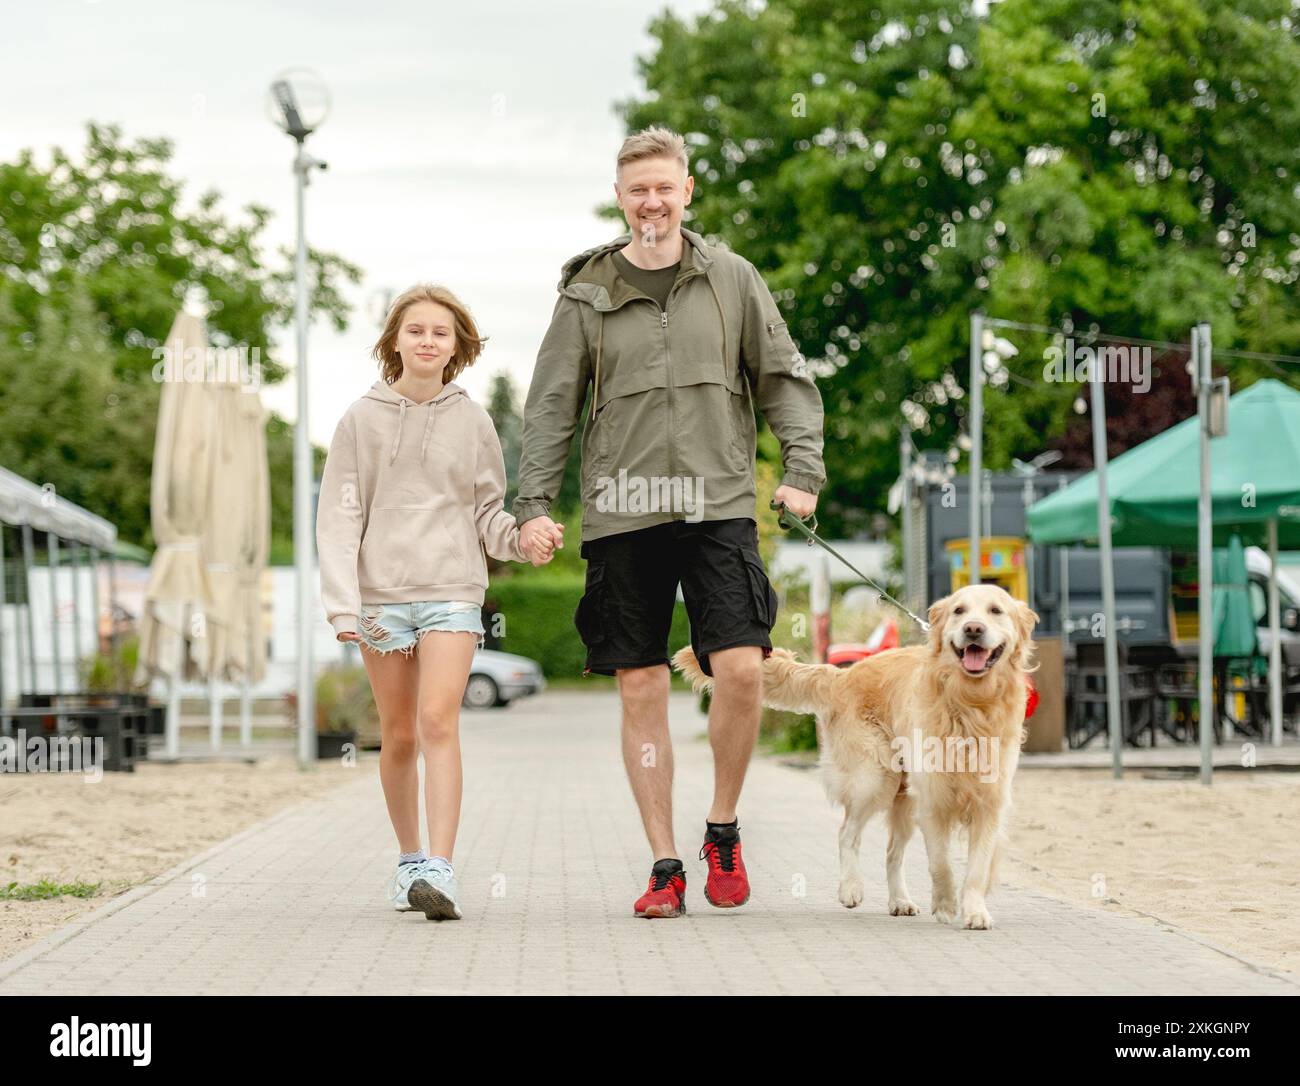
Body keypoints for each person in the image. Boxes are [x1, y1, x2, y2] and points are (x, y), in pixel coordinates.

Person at [514, 126, 826, 918]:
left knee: (744, 668)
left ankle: (721, 827)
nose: (651, 201)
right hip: (622, 512)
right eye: (636, 189)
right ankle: (664, 863)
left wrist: (801, 473)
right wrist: (532, 507)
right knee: (642, 681)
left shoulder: (732, 278)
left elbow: (782, 376)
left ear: (688, 190)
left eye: (664, 186)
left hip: (717, 502)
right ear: (620, 198)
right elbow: (551, 405)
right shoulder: (585, 293)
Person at [316, 283, 556, 921]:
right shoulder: (359, 420)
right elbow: (339, 518)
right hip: (379, 598)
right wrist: (343, 607)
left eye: (440, 333)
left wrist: (522, 537)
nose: (427, 340)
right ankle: (408, 862)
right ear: (395, 339)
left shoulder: (473, 420)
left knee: (438, 722)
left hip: (452, 590)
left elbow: (486, 512)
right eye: (416, 329)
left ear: (457, 346)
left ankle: (441, 872)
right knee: (397, 735)